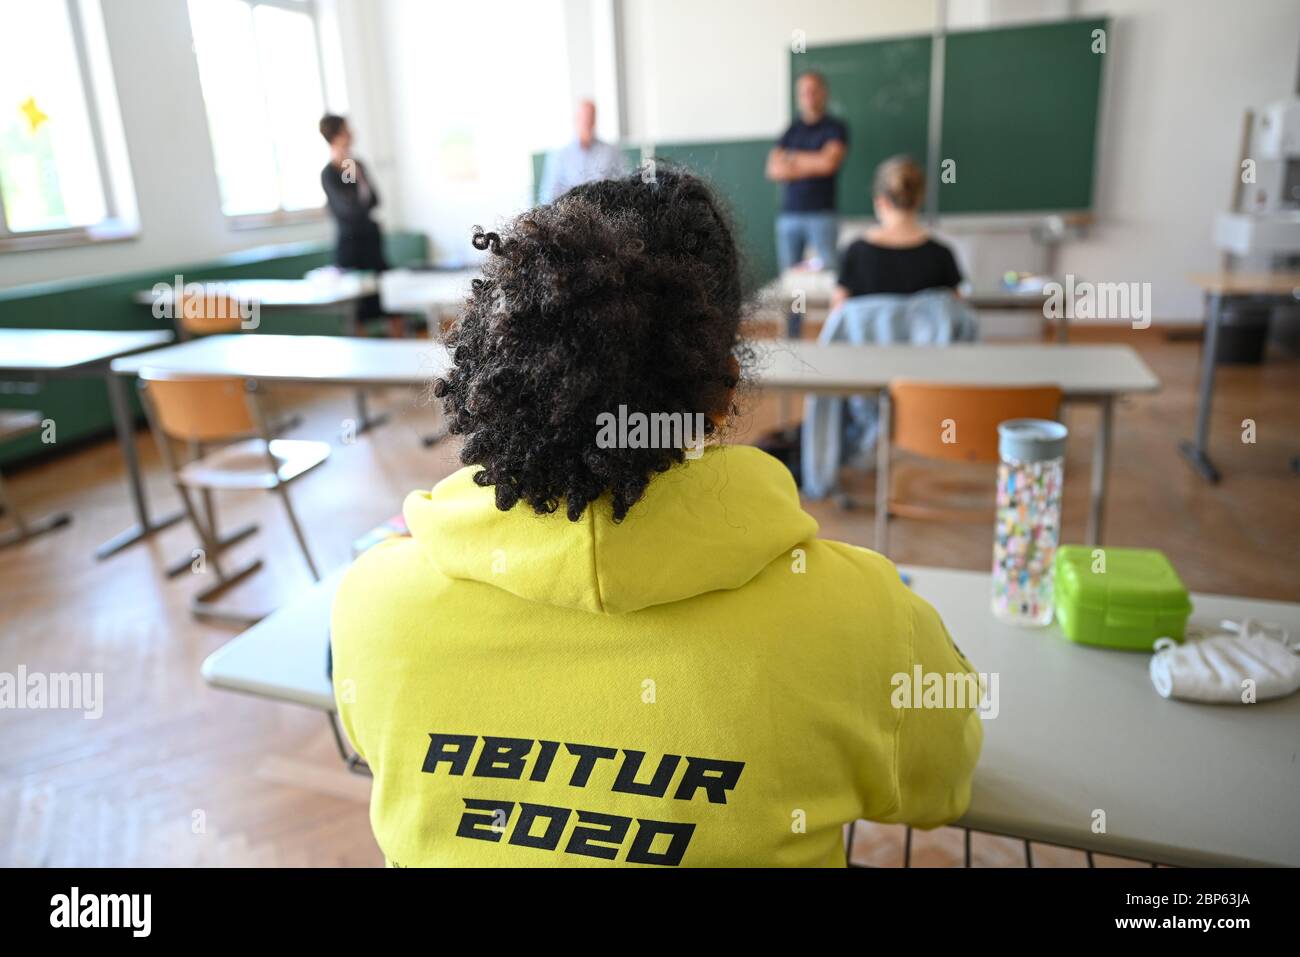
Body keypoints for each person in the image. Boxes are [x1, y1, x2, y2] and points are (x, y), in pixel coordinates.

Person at [330, 168, 981, 868]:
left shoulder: (373, 609)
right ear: (726, 386)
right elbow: (941, 783)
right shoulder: (866, 622)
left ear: (504, 362)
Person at [767, 70, 848, 337]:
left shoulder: (835, 128)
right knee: (792, 284)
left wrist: (793, 160)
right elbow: (773, 170)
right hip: (790, 217)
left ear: (824, 93)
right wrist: (812, 161)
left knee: (833, 278)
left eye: (814, 90)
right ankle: (792, 338)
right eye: (804, 92)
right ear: (798, 97)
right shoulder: (791, 130)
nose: (809, 96)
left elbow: (829, 163)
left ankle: (837, 332)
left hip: (822, 216)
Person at [832, 155, 964, 311]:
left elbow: (838, 316)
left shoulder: (855, 253)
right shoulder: (941, 255)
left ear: (881, 201)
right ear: (919, 199)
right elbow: (955, 317)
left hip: (869, 336)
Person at [319, 114, 390, 329]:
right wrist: (359, 205)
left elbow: (373, 200)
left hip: (370, 240)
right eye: (346, 129)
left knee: (385, 298)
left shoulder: (353, 164)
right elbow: (350, 208)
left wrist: (359, 201)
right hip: (351, 244)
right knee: (357, 308)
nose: (352, 133)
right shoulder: (330, 172)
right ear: (337, 135)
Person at [538, 99, 626, 203]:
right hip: (569, 213)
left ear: (595, 120)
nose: (587, 122)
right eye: (583, 118)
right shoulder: (559, 156)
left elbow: (623, 186)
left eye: (590, 118)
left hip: (604, 210)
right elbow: (548, 196)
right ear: (575, 119)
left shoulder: (610, 152)